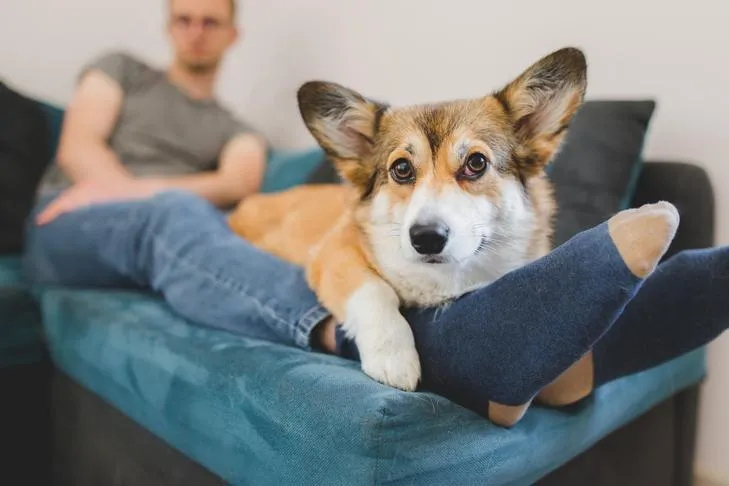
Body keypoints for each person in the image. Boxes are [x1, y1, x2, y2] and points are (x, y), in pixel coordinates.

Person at [25, 0, 729, 427]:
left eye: (212, 19)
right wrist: (145, 193)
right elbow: (82, 148)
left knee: (196, 220)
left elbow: (241, 188)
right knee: (174, 213)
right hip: (74, 220)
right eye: (184, 17)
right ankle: (449, 348)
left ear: (231, 33)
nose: (196, 30)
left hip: (200, 222)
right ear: (168, 24)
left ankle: (545, 362)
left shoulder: (237, 133)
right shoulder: (119, 70)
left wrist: (222, 185)